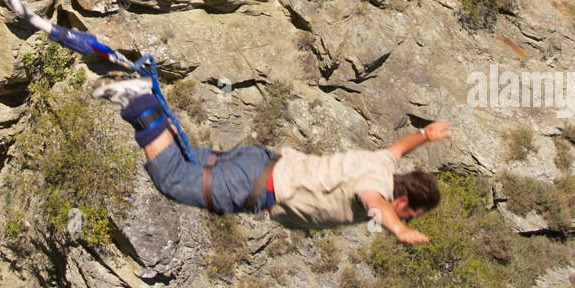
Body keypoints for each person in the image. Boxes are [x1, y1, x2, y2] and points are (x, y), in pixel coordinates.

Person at [93, 75, 450, 242]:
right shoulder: (376, 189)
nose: (403, 216)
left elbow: (398, 149)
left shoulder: (383, 165)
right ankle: (138, 100)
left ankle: (150, 112)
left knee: (180, 164)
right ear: (401, 201)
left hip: (259, 162)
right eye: (409, 212)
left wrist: (423, 136)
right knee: (172, 179)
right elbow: (374, 205)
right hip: (254, 185)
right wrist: (400, 229)